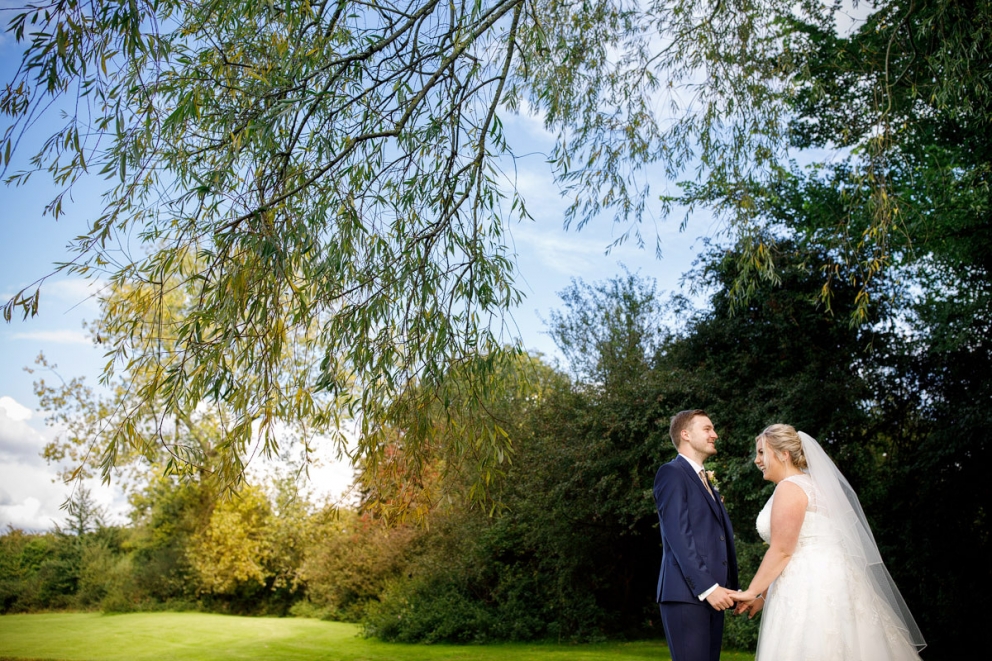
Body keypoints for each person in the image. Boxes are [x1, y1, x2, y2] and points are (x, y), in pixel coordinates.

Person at [732, 424, 926, 660]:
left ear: (784, 454)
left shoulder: (789, 487)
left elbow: (782, 550)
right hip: (835, 578)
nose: (756, 460)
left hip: (807, 584)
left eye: (762, 452)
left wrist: (751, 591)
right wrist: (763, 596)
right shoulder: (814, 486)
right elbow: (791, 546)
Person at [653, 409, 738, 661]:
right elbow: (678, 536)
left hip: (713, 595)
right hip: (687, 595)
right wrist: (708, 587)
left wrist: (731, 589)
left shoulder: (705, 480)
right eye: (707, 429)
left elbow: (716, 538)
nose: (715, 435)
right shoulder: (671, 473)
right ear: (686, 434)